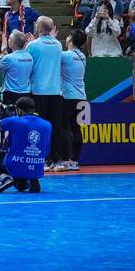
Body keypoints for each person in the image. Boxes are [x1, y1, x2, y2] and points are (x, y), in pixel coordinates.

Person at [0, 97, 51, 193]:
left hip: (14, 166)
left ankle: (2, 178)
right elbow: (46, 151)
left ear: (19, 111)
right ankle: (32, 180)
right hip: (37, 168)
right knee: (20, 186)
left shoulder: (15, 121)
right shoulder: (47, 125)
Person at [26, 15, 64, 170]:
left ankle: (43, 160)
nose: (34, 25)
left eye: (36, 24)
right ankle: (57, 160)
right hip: (55, 92)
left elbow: (28, 65)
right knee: (54, 126)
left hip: (38, 91)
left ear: (39, 28)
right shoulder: (58, 45)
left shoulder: (32, 45)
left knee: (39, 127)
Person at [59, 29, 87, 172]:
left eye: (69, 36)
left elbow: (52, 55)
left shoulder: (66, 55)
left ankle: (66, 159)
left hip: (68, 98)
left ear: (70, 39)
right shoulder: (83, 56)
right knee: (77, 129)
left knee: (64, 129)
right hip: (82, 99)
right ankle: (75, 160)